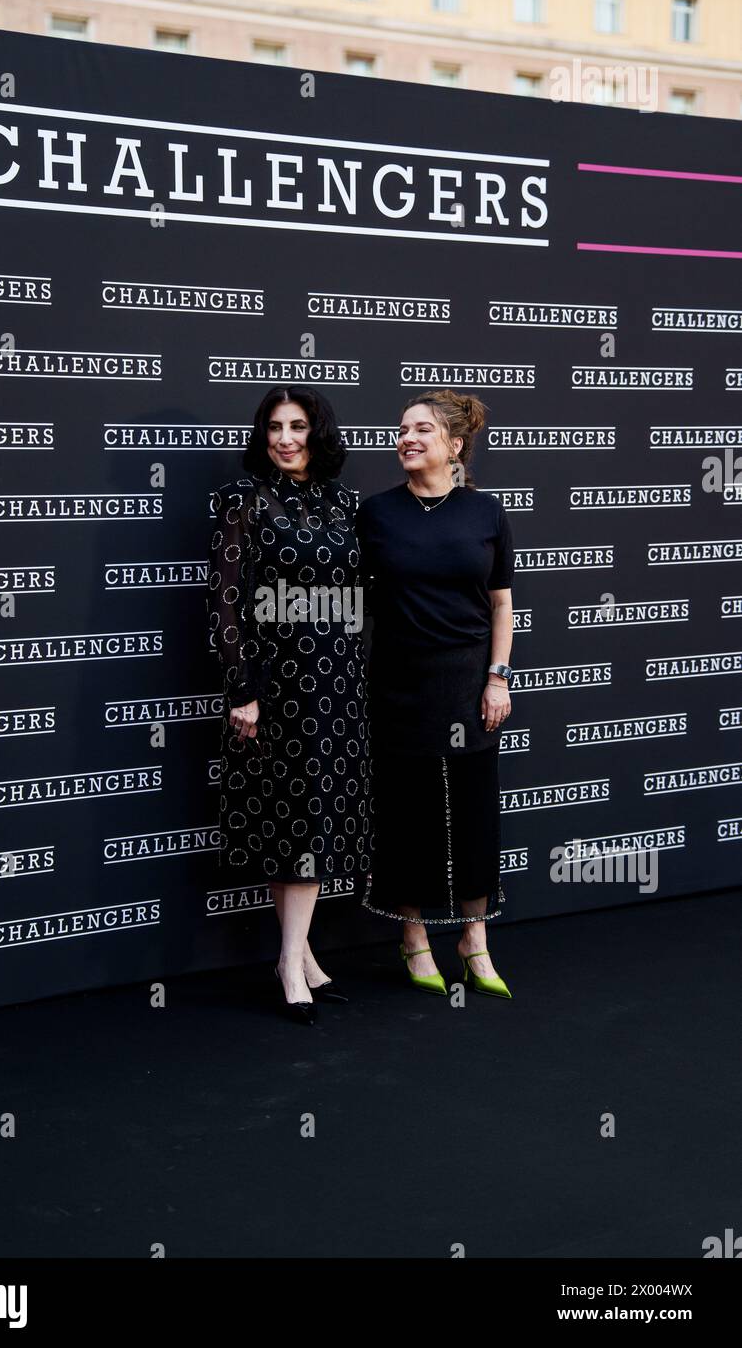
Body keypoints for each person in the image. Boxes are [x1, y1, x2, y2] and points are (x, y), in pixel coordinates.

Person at [207, 386, 372, 1024]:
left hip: (338, 685)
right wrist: (241, 689)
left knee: (308, 819)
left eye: (297, 426)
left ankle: (300, 955)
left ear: (317, 432)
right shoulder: (241, 499)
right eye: (273, 427)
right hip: (275, 687)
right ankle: (288, 963)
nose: (284, 438)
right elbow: (224, 601)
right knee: (291, 822)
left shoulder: (346, 503)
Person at [355, 389, 515, 999]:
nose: (407, 438)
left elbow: (501, 604)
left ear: (455, 444)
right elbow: (346, 598)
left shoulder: (486, 514)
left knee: (473, 808)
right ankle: (414, 937)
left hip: (469, 679)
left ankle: (474, 939)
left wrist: (498, 677)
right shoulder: (376, 514)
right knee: (407, 810)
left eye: (422, 429)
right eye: (402, 429)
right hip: (398, 681)